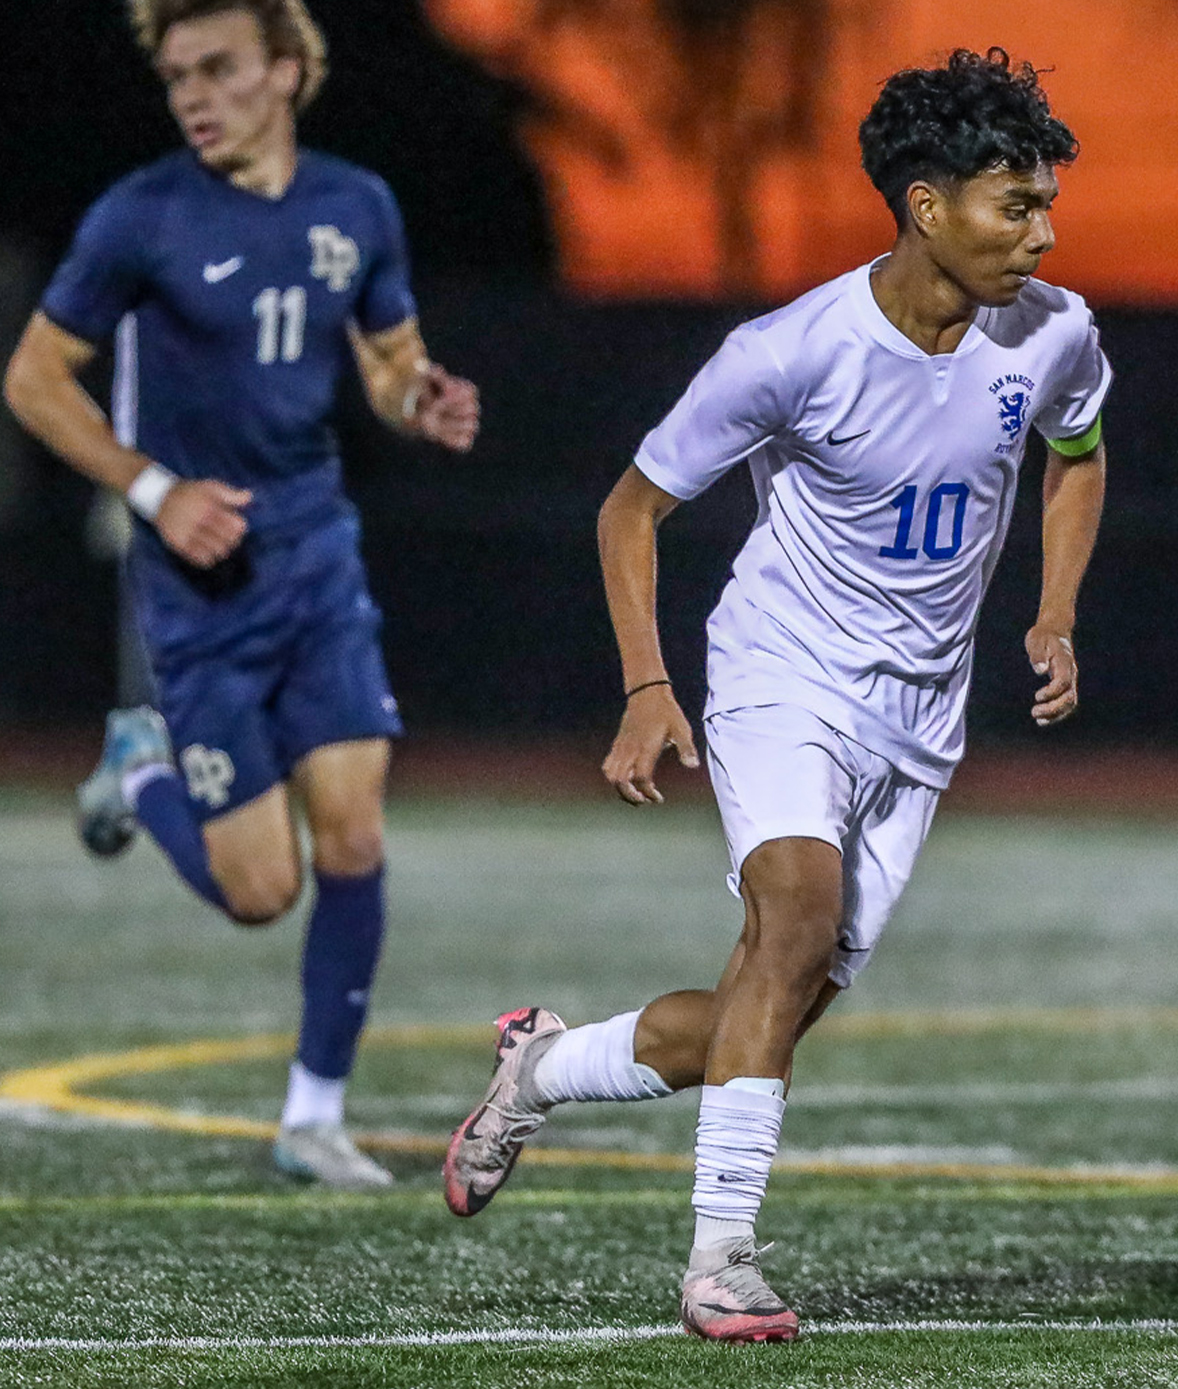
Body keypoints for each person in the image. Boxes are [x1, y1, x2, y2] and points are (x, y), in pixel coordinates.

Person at [441, 49, 1109, 1341]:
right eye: (1015, 203)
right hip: (780, 673)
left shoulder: (1055, 330)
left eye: (1046, 203)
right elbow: (629, 510)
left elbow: (1077, 452)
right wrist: (647, 685)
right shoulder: (791, 352)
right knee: (793, 914)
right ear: (925, 205)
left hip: (920, 719)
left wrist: (1057, 607)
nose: (1045, 231)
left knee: (765, 1002)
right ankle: (721, 1261)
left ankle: (541, 1067)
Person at [3, 0, 479, 1188]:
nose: (192, 97)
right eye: (175, 78)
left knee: (357, 834)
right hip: (199, 585)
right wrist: (153, 488)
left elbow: (383, 359)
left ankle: (312, 1117)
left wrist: (416, 397)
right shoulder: (141, 215)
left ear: (284, 69)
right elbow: (32, 378)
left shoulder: (355, 206)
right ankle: (142, 768)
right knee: (262, 893)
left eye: (216, 69)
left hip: (314, 552)